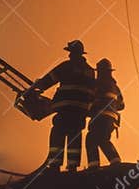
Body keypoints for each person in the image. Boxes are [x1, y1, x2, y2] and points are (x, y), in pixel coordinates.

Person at [32, 40, 96, 171]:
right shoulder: (90, 71)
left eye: (70, 53)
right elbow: (92, 91)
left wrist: (37, 87)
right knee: (75, 137)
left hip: (65, 108)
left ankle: (55, 164)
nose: (69, 55)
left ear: (72, 53)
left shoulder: (67, 66)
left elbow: (50, 79)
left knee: (58, 134)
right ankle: (72, 166)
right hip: (80, 111)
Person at [85, 58, 125, 168]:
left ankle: (94, 165)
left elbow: (89, 98)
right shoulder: (115, 87)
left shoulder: (97, 84)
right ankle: (115, 161)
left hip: (100, 117)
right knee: (103, 140)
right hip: (111, 120)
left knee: (91, 139)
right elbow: (122, 105)